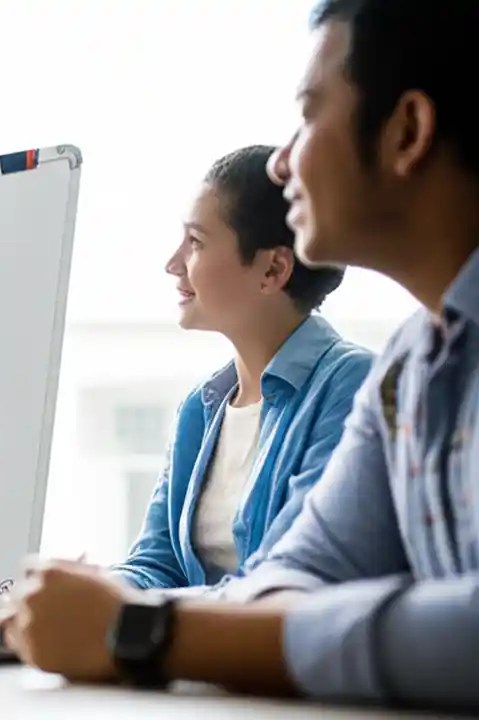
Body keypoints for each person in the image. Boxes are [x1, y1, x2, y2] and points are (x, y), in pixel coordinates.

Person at [2, 0, 479, 713]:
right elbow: (304, 571)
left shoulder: (352, 379)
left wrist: (141, 628)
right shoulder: (406, 372)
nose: (283, 164)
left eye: (309, 114)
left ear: (406, 131)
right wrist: (98, 608)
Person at [113, 145, 371, 592]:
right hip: (189, 657)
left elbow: (287, 582)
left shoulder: (352, 387)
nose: (173, 264)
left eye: (195, 242)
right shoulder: (202, 405)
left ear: (272, 270)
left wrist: (142, 621)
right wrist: (88, 596)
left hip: (269, 659)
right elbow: (155, 565)